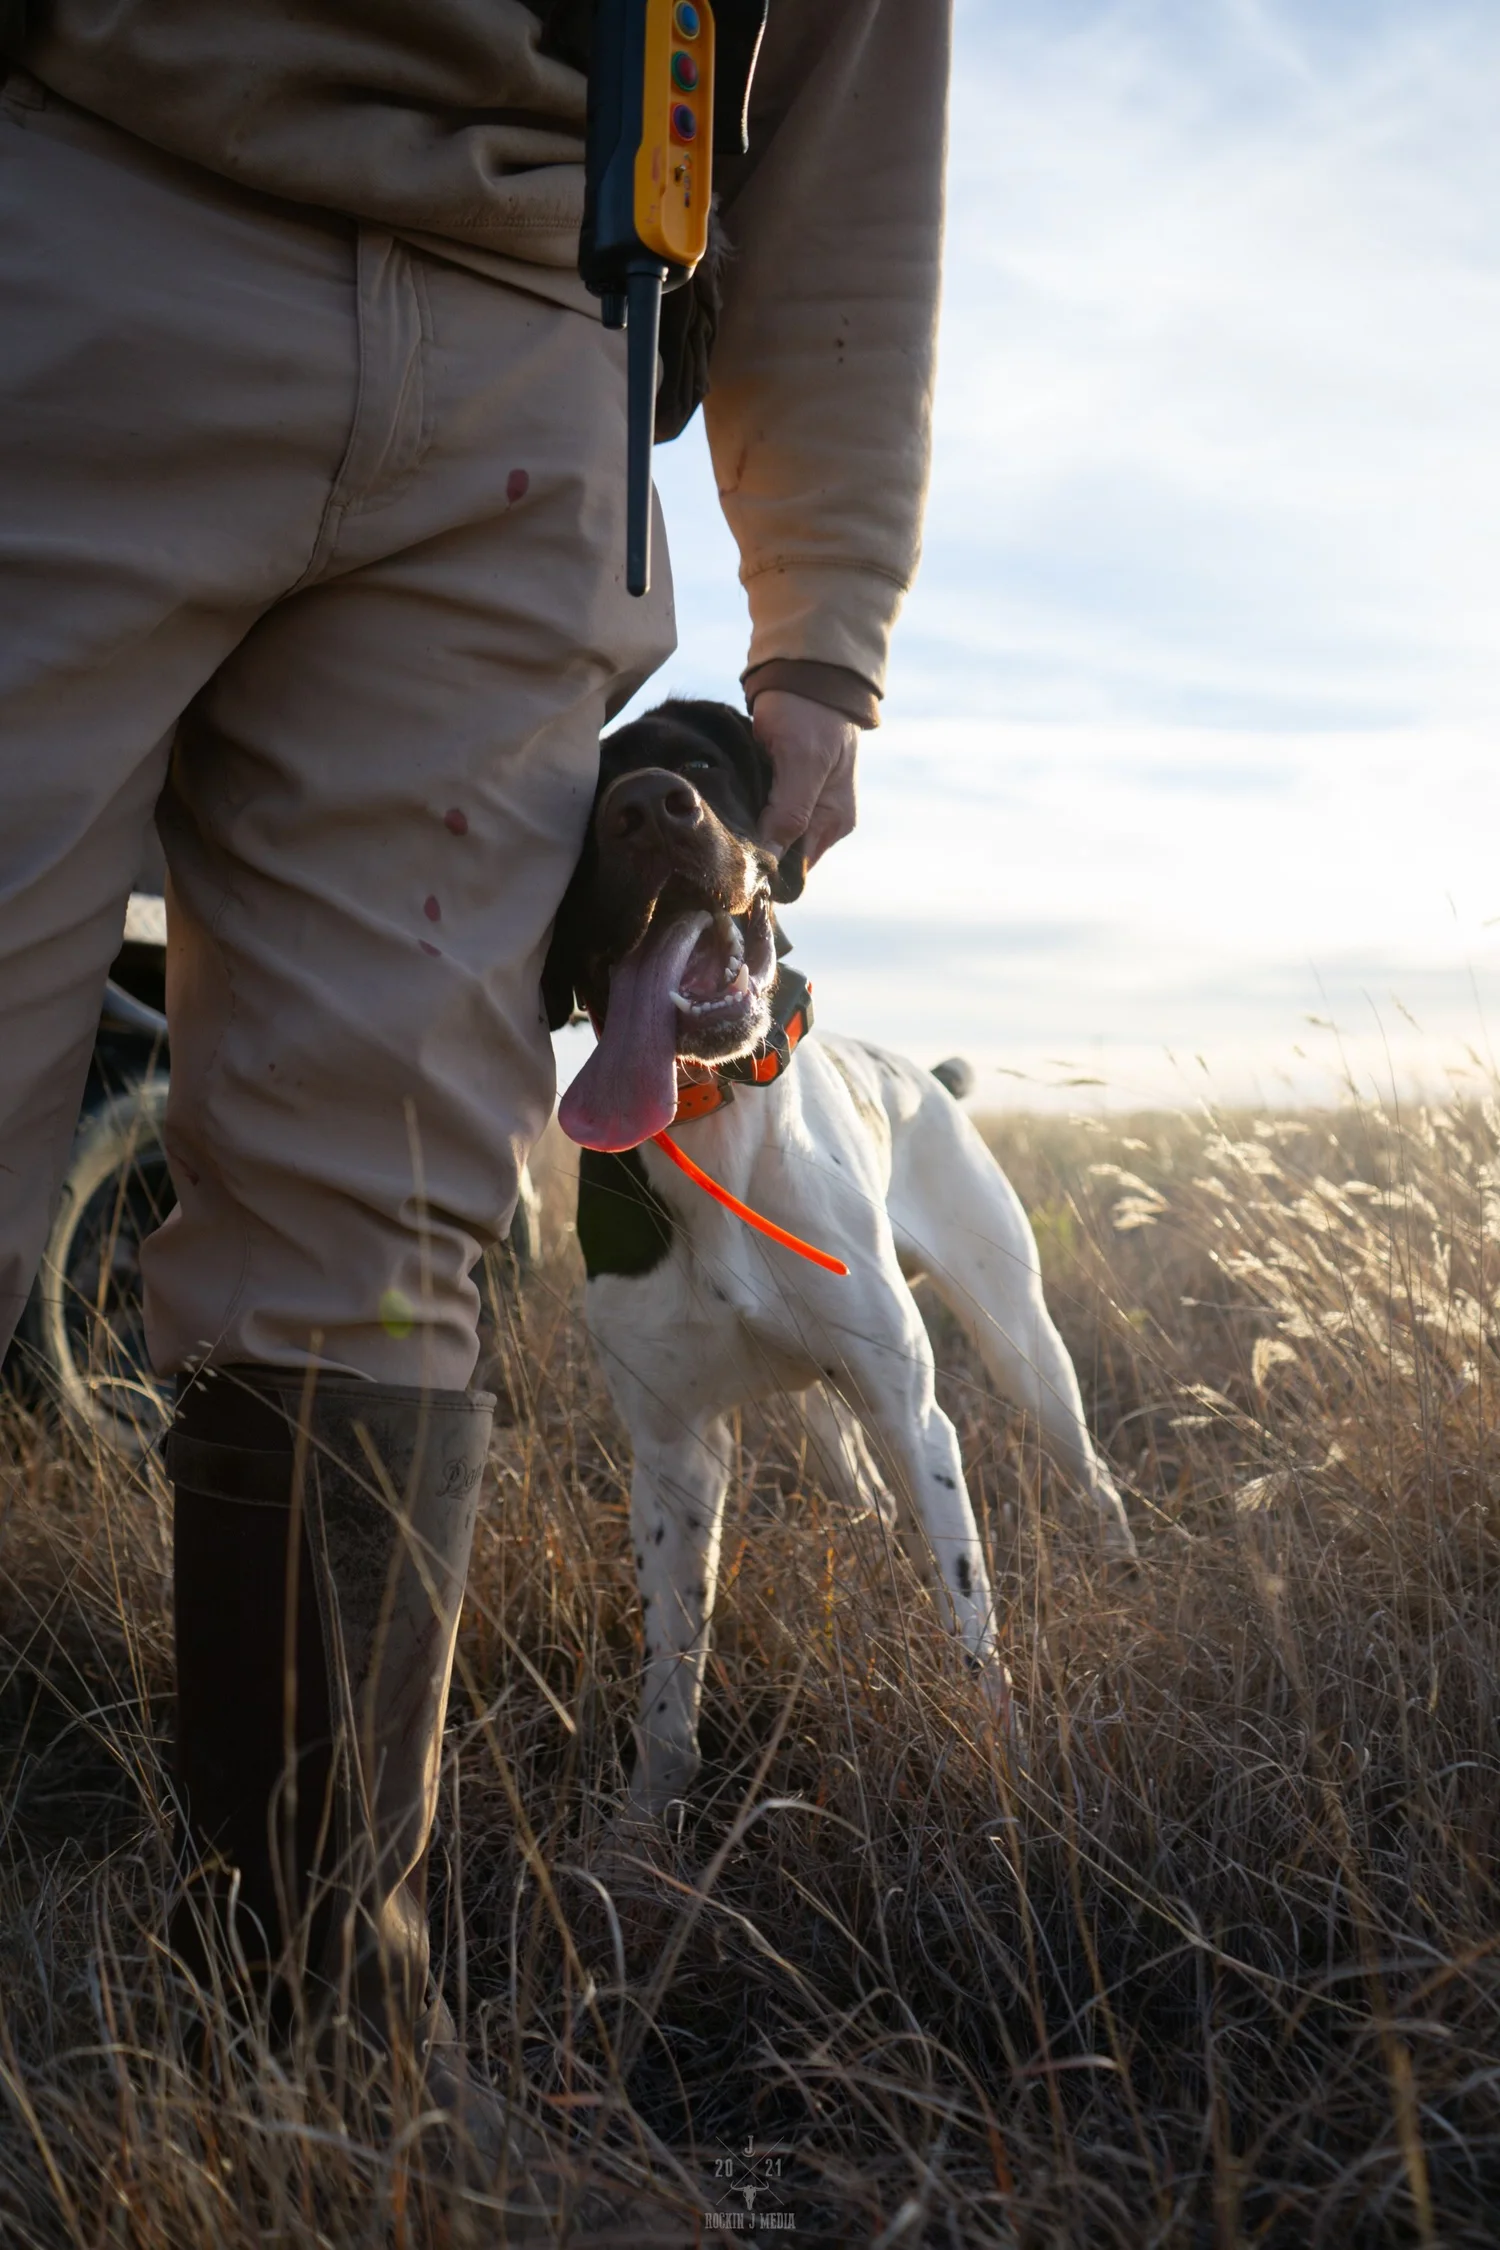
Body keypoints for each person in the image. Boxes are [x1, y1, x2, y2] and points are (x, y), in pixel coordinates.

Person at [0, 0, 951, 2175]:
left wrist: (821, 636)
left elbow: (859, 80)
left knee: (379, 1239)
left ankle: (323, 2088)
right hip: (81, 200)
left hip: (547, 362)